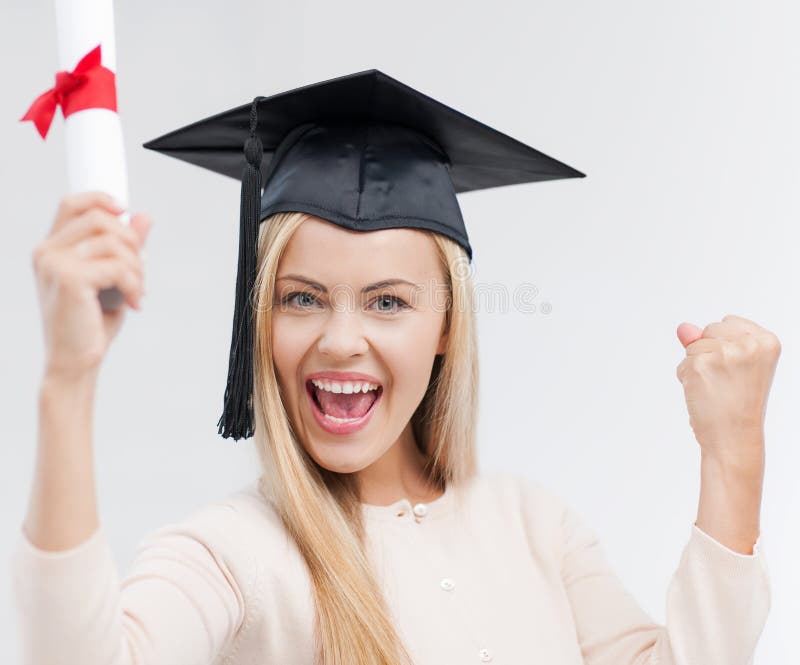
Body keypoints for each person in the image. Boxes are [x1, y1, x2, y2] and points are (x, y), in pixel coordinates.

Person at [12, 71, 776, 665]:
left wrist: (733, 452)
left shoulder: (534, 526)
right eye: (302, 297)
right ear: (260, 317)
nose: (341, 339)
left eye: (386, 302)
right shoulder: (231, 552)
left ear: (447, 324)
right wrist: (67, 383)